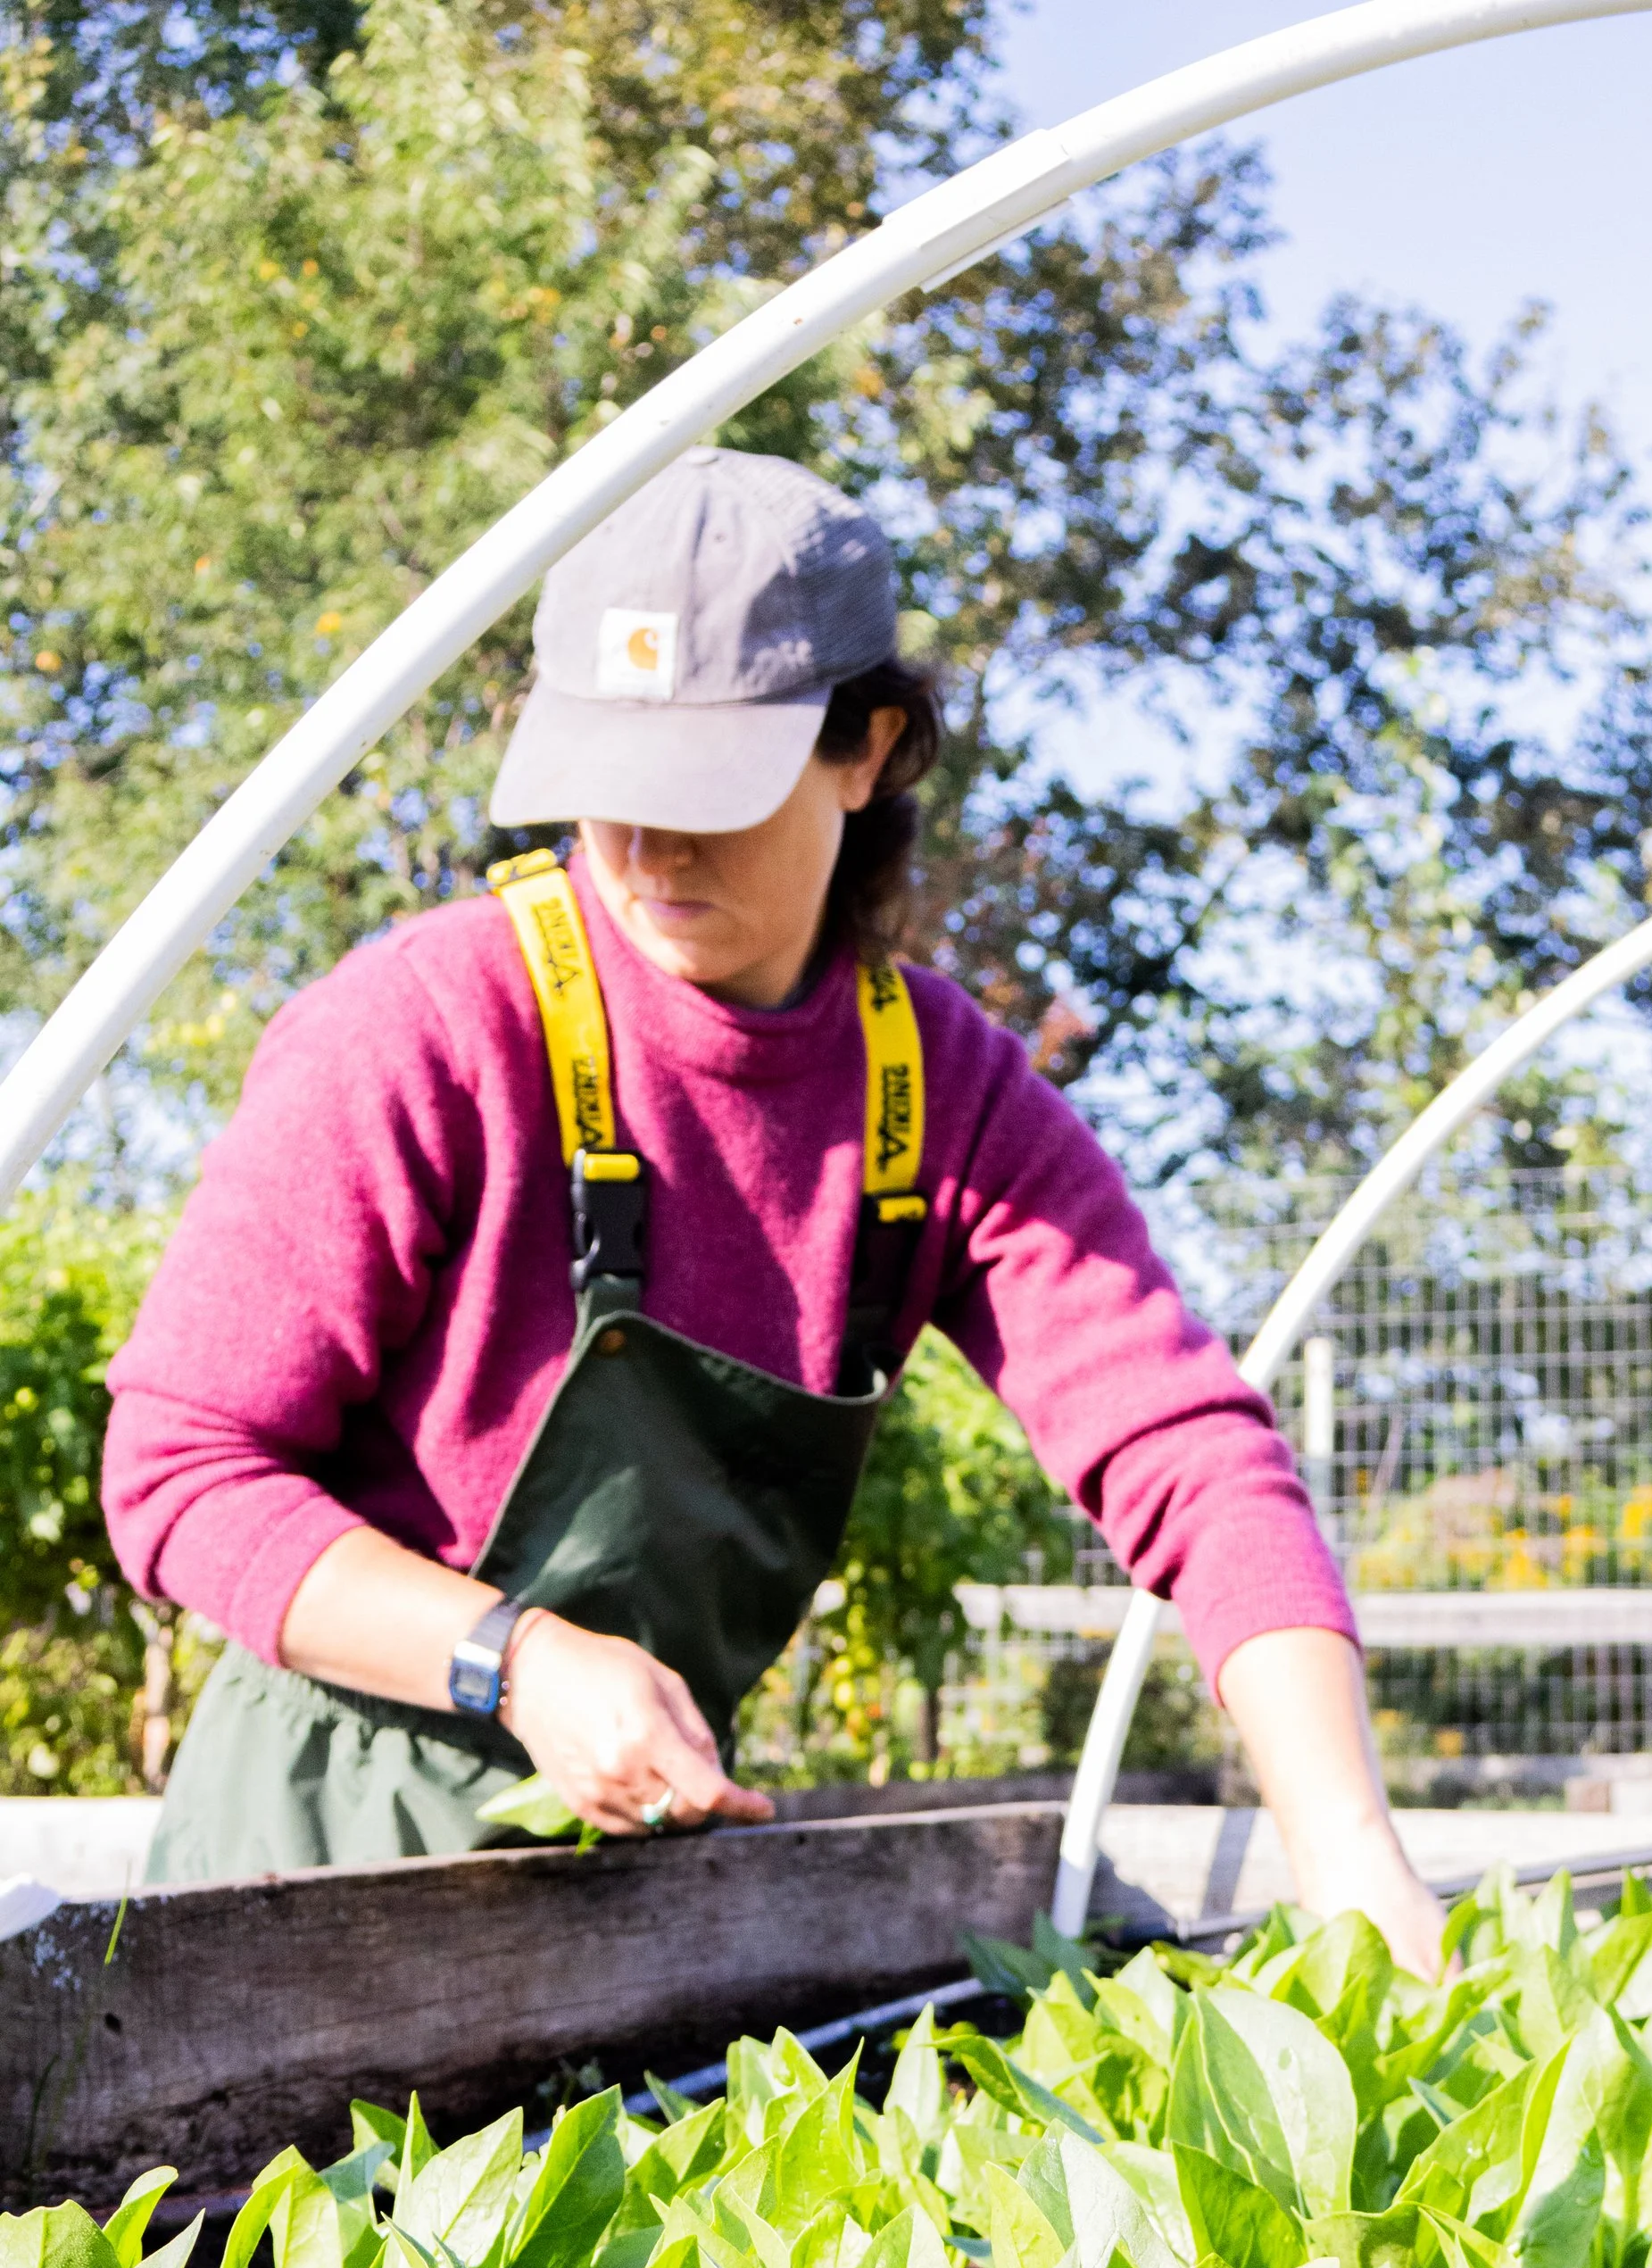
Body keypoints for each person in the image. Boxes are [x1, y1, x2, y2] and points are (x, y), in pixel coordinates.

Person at [103, 449, 1445, 1973]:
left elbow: (1194, 1460)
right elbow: (175, 1472)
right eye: (610, 784)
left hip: (625, 1911)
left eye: (707, 791)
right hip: (299, 1886)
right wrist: (514, 1660)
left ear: (867, 750)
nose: (649, 848)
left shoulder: (936, 1094)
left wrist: (1348, 1854)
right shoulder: (426, 1026)